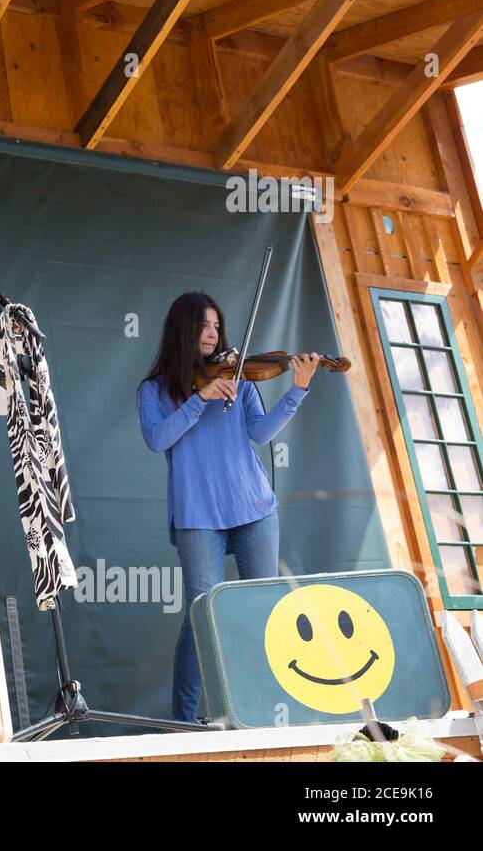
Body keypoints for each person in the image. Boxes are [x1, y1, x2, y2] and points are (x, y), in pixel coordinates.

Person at [137, 290, 321, 723]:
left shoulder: (239, 377)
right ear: (183, 329)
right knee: (202, 617)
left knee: (263, 611)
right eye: (204, 324)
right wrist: (199, 400)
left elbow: (259, 433)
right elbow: (156, 438)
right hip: (198, 517)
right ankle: (183, 721)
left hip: (254, 508)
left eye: (217, 326)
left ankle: (257, 713)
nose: (213, 333)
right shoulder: (156, 389)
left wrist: (297, 391)